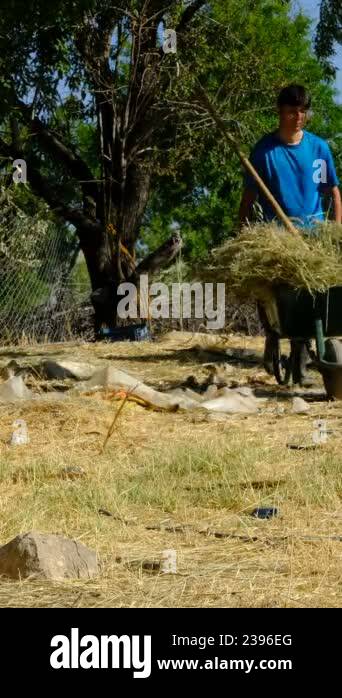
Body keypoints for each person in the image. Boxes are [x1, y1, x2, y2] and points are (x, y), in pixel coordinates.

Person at [238, 84, 342, 385]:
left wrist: (334, 230)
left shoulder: (318, 149)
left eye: (301, 111)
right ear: (280, 112)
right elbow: (248, 199)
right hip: (277, 237)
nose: (297, 117)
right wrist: (243, 235)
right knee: (274, 295)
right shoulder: (264, 151)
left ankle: (302, 354)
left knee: (311, 299)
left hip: (312, 237)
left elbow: (332, 193)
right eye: (290, 111)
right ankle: (274, 337)